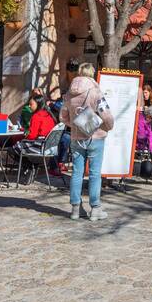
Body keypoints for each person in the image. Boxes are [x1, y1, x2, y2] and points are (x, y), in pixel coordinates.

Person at [61, 63, 114, 221]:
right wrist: (108, 127)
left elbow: (63, 117)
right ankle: (95, 208)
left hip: (76, 137)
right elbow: (107, 116)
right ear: (92, 74)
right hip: (95, 137)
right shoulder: (95, 92)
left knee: (77, 173)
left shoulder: (69, 94)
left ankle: (75, 209)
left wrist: (76, 125)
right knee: (94, 173)